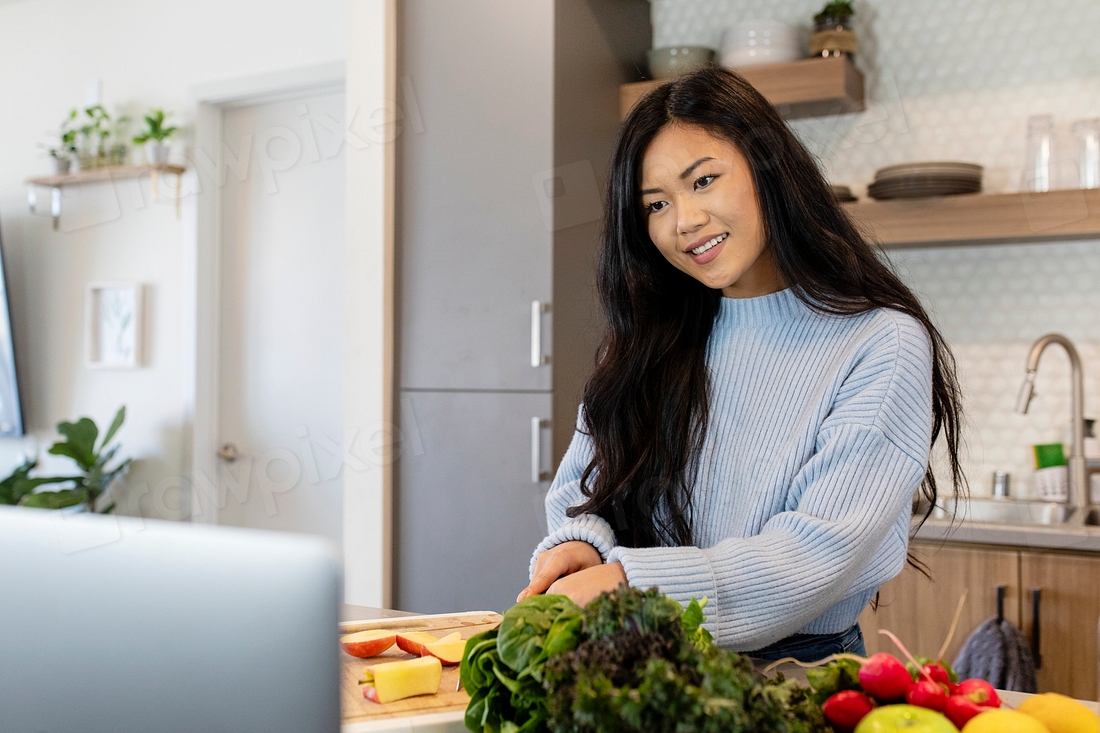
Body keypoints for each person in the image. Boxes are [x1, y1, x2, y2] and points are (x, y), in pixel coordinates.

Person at [516, 67, 964, 662]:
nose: (684, 222)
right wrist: (583, 545)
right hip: (637, 656)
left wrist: (629, 584)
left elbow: (817, 554)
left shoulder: (879, 342)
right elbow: (584, 485)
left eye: (703, 181)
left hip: (794, 671)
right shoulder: (652, 337)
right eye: (656, 204)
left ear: (768, 168)